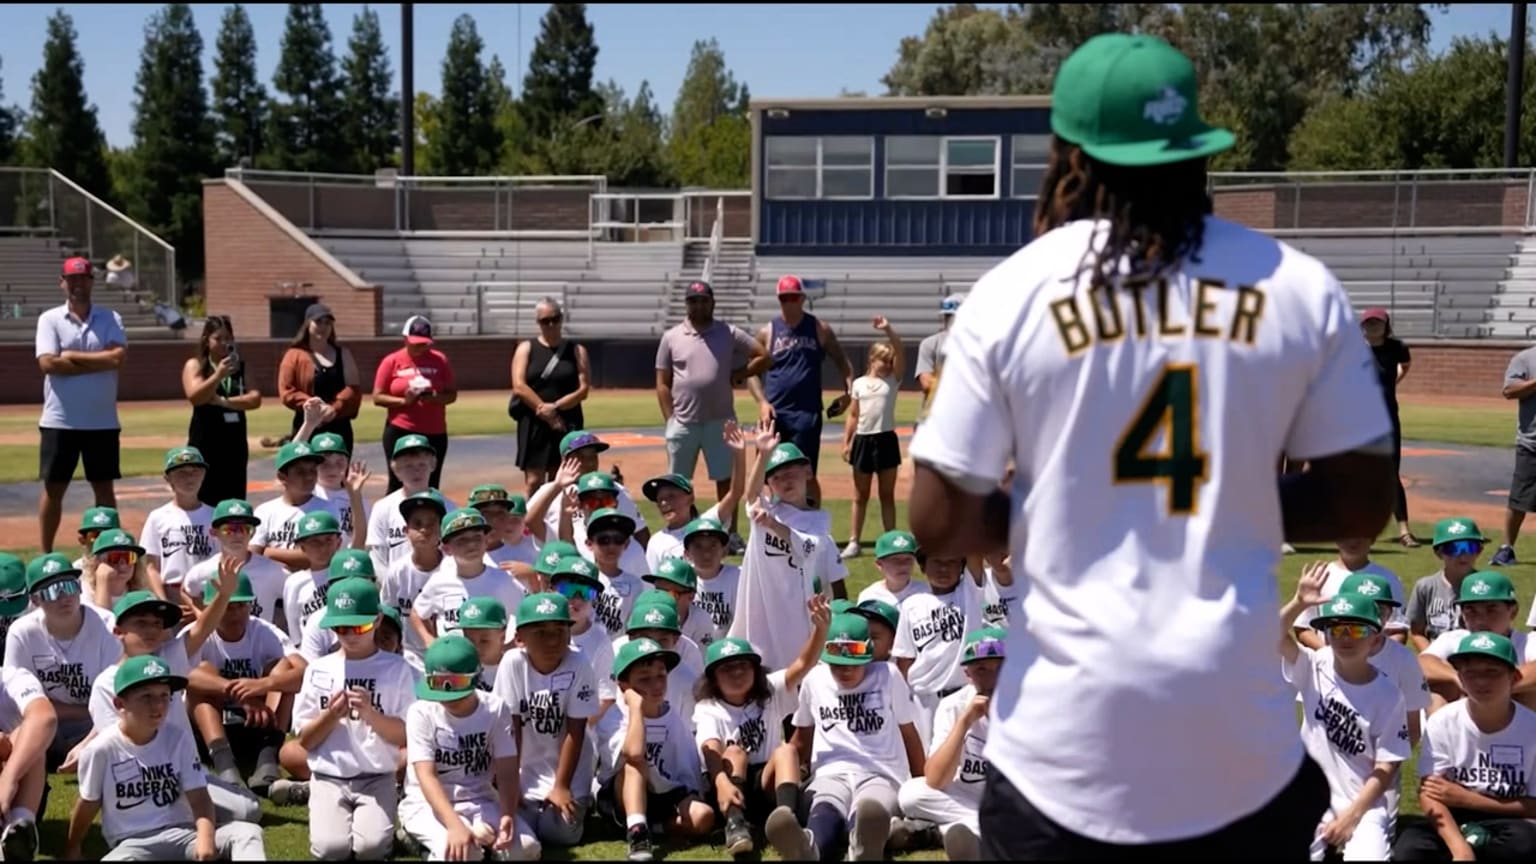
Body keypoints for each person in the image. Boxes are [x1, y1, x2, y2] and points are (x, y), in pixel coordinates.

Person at [906, 34, 1397, 858]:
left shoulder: (1012, 292)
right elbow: (1361, 503)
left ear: (1070, 157)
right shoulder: (1297, 285)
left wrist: (1060, 509)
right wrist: (1228, 498)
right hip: (1239, 758)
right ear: (1197, 152)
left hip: (1060, 764)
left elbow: (936, 519)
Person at [66, 654, 267, 861]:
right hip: (133, 843)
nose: (158, 705)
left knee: (247, 833)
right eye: (146, 697)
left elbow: (199, 797)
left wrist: (205, 839)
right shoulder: (101, 750)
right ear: (119, 703)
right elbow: (87, 803)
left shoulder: (178, 739)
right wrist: (73, 848)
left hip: (184, 834)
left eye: (164, 696)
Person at [1393, 631, 1536, 860]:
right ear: (1459, 676)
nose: (1481, 681)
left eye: (1492, 672)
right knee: (1409, 848)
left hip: (1511, 819)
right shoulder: (1443, 720)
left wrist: (1469, 799)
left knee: (1526, 842)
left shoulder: (1531, 728)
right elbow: (1430, 794)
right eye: (1470, 673)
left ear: (1515, 678)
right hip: (1453, 817)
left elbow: (1533, 806)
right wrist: (1459, 848)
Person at [656, 281, 768, 545]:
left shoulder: (727, 332)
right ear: (687, 304)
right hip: (683, 420)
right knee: (677, 484)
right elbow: (662, 382)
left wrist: (739, 375)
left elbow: (762, 355)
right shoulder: (671, 337)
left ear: (712, 302)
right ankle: (678, 534)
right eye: (693, 301)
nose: (699, 305)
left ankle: (729, 534)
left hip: (721, 419)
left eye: (704, 300)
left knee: (726, 480)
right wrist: (669, 418)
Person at [35, 256, 128, 554]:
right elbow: (48, 363)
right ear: (62, 282)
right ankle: (45, 552)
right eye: (71, 279)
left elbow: (116, 358)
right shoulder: (49, 319)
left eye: (83, 278)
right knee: (54, 488)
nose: (77, 284)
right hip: (59, 420)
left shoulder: (110, 318)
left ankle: (110, 550)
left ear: (91, 282)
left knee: (104, 489)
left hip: (101, 421)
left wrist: (72, 355)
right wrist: (97, 361)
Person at [749, 274, 856, 508]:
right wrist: (762, 402)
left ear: (802, 299)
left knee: (807, 473)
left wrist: (848, 393)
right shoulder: (767, 332)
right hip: (775, 414)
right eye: (784, 298)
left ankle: (814, 524)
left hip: (806, 414)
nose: (789, 302)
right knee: (769, 472)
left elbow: (842, 361)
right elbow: (750, 373)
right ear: (779, 300)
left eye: (794, 297)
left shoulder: (819, 328)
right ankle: (773, 523)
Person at [839, 316, 905, 559]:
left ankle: (891, 540)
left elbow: (899, 348)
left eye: (890, 361)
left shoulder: (893, 381)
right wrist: (847, 442)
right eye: (883, 360)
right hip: (863, 441)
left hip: (886, 440)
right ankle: (854, 542)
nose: (888, 364)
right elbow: (853, 415)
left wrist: (888, 328)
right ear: (872, 359)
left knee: (887, 495)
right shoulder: (859, 384)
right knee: (860, 495)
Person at [511, 297, 590, 495]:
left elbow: (583, 389)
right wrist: (544, 410)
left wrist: (556, 407)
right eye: (545, 321)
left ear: (562, 319)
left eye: (555, 319)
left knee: (561, 477)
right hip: (534, 420)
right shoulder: (526, 348)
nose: (551, 325)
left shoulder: (577, 351)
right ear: (538, 322)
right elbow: (519, 386)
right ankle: (532, 522)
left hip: (566, 419)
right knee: (534, 479)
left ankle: (557, 522)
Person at [373, 315, 458, 493]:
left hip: (434, 431)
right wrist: (404, 401)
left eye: (424, 343)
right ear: (405, 339)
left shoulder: (440, 360)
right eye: (415, 343)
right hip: (401, 429)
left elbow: (451, 395)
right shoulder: (392, 361)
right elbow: (378, 397)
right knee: (398, 483)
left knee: (431, 482)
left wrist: (434, 397)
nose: (420, 347)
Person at [182, 315, 261, 506]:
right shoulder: (195, 365)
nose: (224, 343)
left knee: (233, 499)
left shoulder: (241, 367)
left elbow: (255, 398)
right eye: (218, 338)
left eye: (228, 338)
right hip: (206, 441)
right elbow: (196, 396)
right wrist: (218, 376)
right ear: (206, 340)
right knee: (204, 496)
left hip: (234, 443)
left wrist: (224, 402)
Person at [1359, 308, 1419, 547]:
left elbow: (1406, 364)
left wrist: (1395, 379)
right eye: (1368, 323)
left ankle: (1404, 531)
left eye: (1377, 323)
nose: (1372, 327)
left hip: (1386, 419)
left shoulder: (1397, 347)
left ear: (1386, 325)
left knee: (1390, 474)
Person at [277, 303, 361, 453]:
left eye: (327, 323)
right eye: (318, 322)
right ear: (308, 323)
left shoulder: (343, 353)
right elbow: (287, 391)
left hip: (338, 426)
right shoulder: (294, 355)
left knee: (336, 472)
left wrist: (334, 408)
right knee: (306, 472)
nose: (323, 327)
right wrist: (314, 407)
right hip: (307, 426)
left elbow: (353, 389)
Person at [1492, 338, 1536, 566]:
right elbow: (1509, 390)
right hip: (1532, 444)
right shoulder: (1525, 359)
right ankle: (1506, 549)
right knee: (1519, 500)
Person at [914, 294, 965, 425]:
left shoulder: (976, 346)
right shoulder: (930, 343)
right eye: (948, 316)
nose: (950, 320)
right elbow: (926, 383)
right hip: (933, 420)